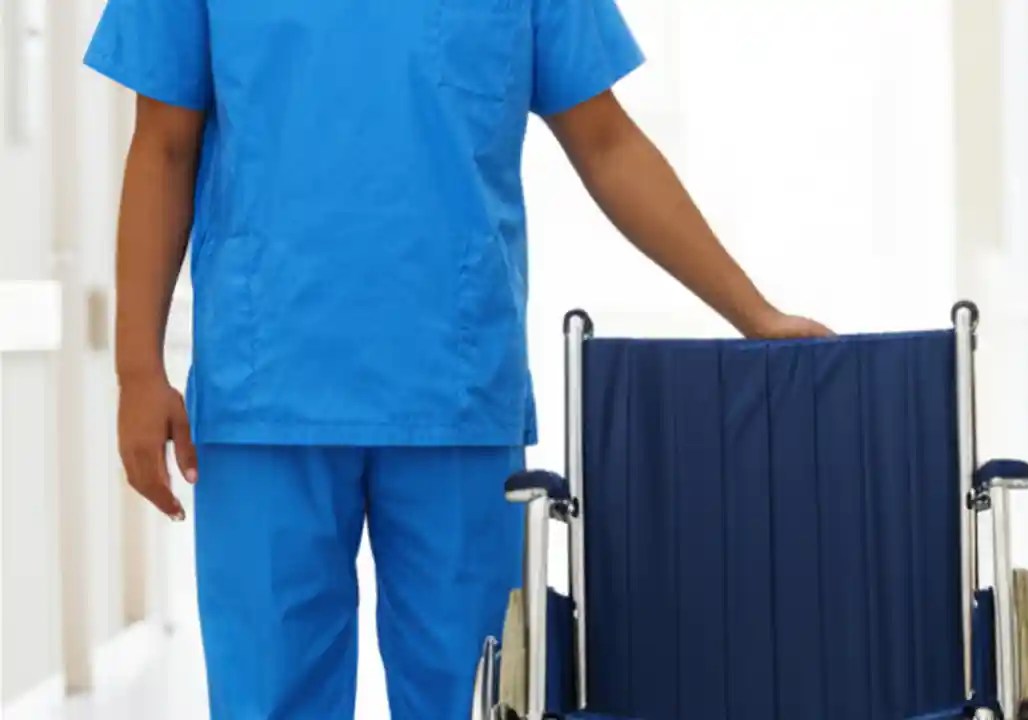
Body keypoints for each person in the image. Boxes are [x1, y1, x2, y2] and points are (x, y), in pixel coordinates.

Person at [85, 0, 829, 716]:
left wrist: (751, 311)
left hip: (454, 397)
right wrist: (137, 371)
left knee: (474, 700)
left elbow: (606, 141)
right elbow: (163, 145)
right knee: (267, 704)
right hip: (266, 396)